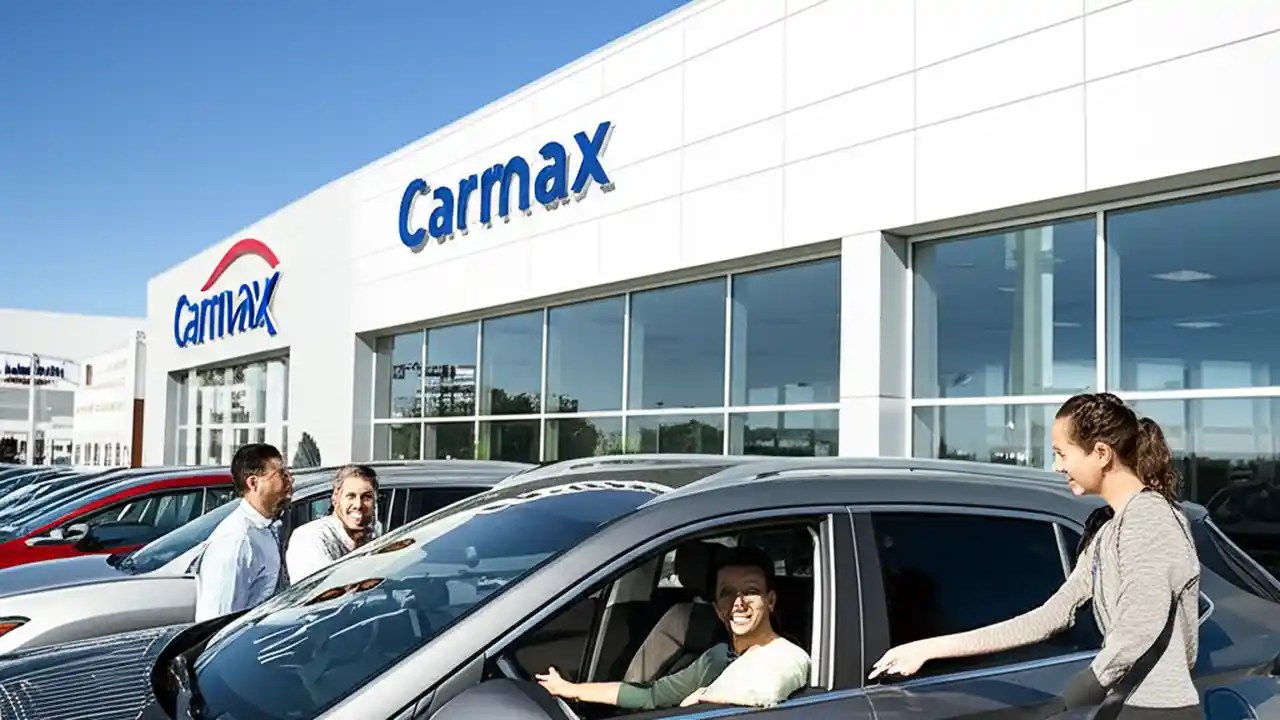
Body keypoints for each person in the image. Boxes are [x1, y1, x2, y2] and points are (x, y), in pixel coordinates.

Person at [869, 392, 1201, 719]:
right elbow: (1050, 616)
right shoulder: (1106, 527)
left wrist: (1076, 695)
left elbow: (1139, 628)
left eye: (1061, 454)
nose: (1057, 466)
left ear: (1101, 453)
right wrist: (928, 649)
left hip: (1159, 711)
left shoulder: (1150, 519)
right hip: (1124, 706)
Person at [537, 545, 811, 710]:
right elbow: (651, 694)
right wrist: (571, 689)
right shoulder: (716, 658)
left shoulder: (786, 657)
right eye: (727, 593)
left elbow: (758, 690)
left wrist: (702, 698)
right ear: (716, 607)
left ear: (770, 601)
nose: (738, 603)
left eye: (750, 591)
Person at [194, 443, 294, 622]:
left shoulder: (266, 528)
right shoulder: (237, 541)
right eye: (281, 474)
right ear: (254, 483)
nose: (290, 480)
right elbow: (218, 620)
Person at [286, 464, 380, 581]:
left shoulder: (374, 536)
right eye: (351, 496)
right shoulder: (311, 538)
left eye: (366, 497)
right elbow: (325, 591)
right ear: (336, 498)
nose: (358, 505)